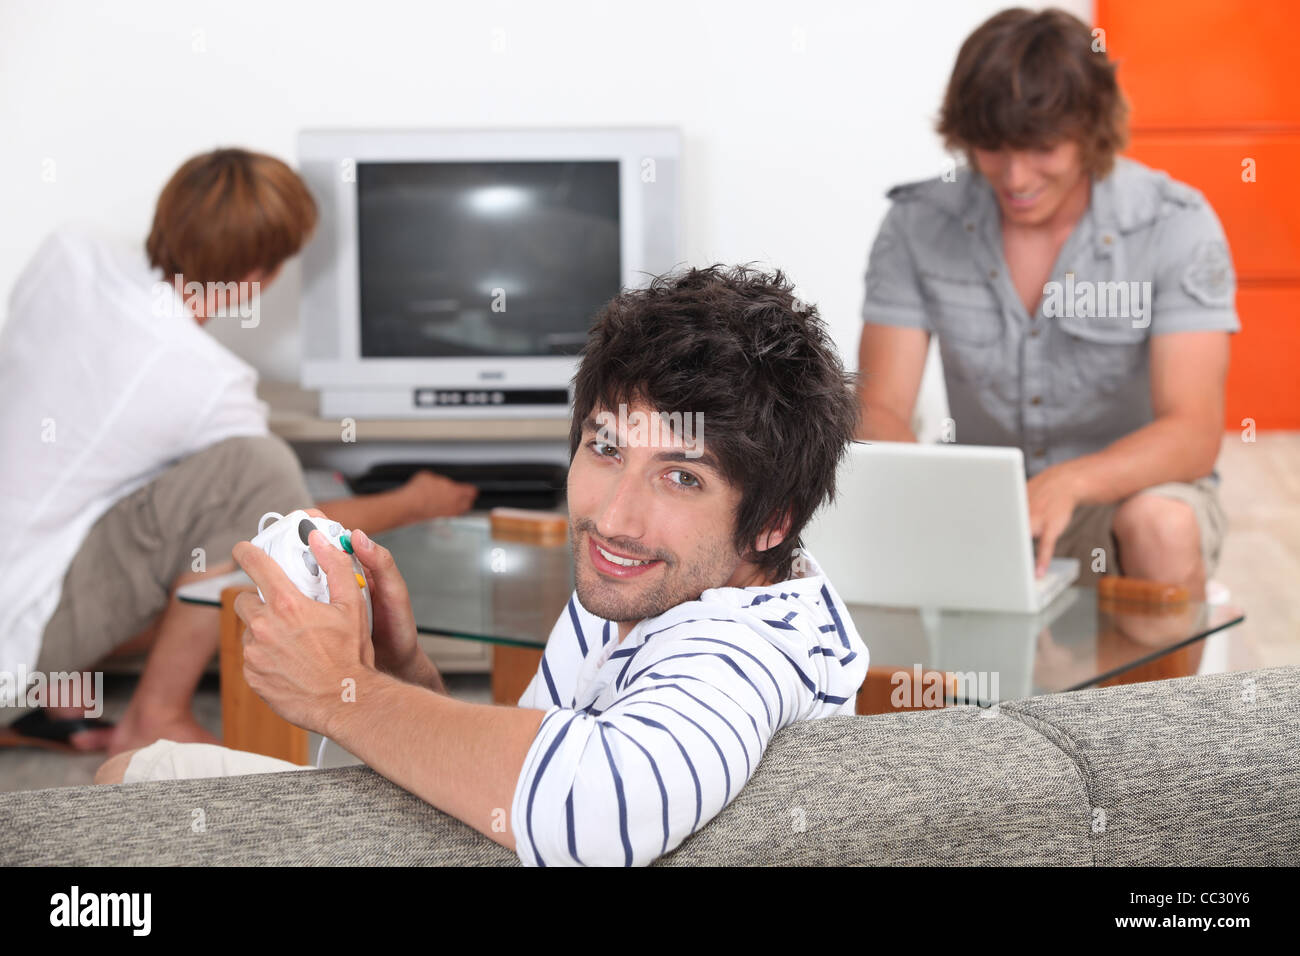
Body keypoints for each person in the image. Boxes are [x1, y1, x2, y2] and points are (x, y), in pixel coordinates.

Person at [97, 264, 870, 868]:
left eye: (681, 476)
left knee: (133, 791)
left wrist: (344, 697)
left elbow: (598, 809)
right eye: (605, 448)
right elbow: (523, 771)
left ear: (770, 522)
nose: (613, 516)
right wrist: (398, 670)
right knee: (134, 787)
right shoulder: (656, 584)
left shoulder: (735, 652)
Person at [0, 148, 477, 755]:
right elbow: (291, 521)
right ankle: (156, 715)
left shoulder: (72, 249)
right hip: (14, 644)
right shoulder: (206, 383)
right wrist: (415, 502)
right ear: (258, 277)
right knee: (259, 469)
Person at [856, 7, 1236, 598]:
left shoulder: (1174, 224)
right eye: (992, 148)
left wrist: (1072, 482)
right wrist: (946, 499)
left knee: (1162, 525)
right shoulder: (916, 224)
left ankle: (1159, 698)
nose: (1015, 176)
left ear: (1091, 130)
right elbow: (877, 408)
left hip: (1117, 503)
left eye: (1041, 148)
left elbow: (1193, 432)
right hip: (979, 508)